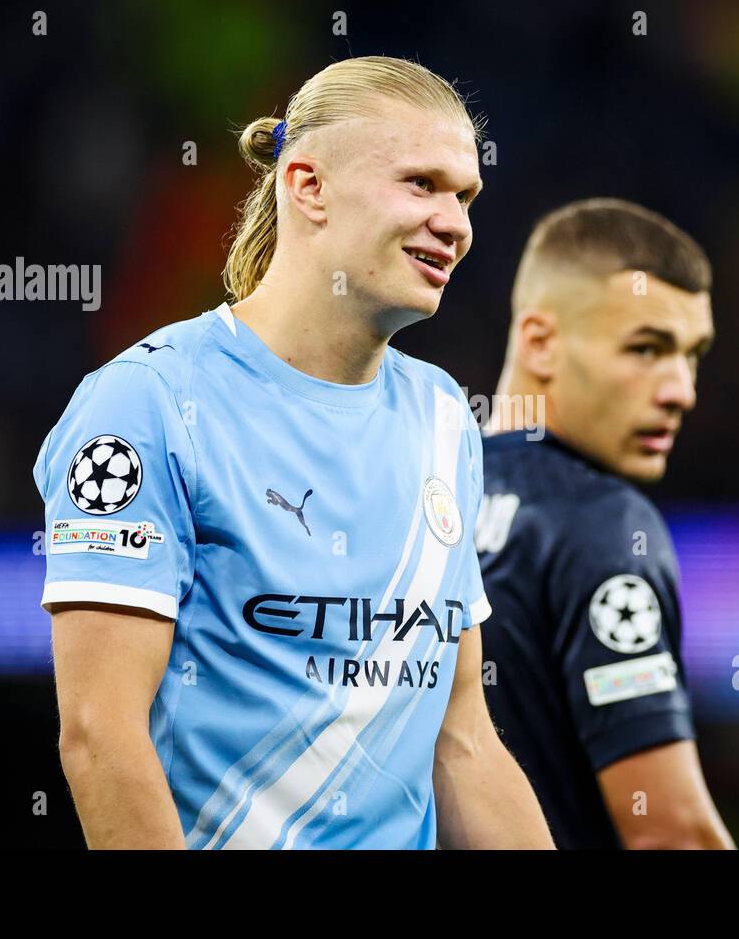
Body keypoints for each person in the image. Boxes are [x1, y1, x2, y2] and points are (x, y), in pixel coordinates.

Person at [34, 56, 553, 850]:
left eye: (465, 195)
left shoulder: (446, 415)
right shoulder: (146, 404)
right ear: (307, 185)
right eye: (421, 184)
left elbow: (464, 741)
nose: (456, 223)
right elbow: (101, 735)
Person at [477, 198, 735, 849]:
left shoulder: (416, 493)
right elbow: (671, 835)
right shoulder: (603, 525)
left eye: (692, 355)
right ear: (540, 342)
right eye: (647, 348)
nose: (682, 390)